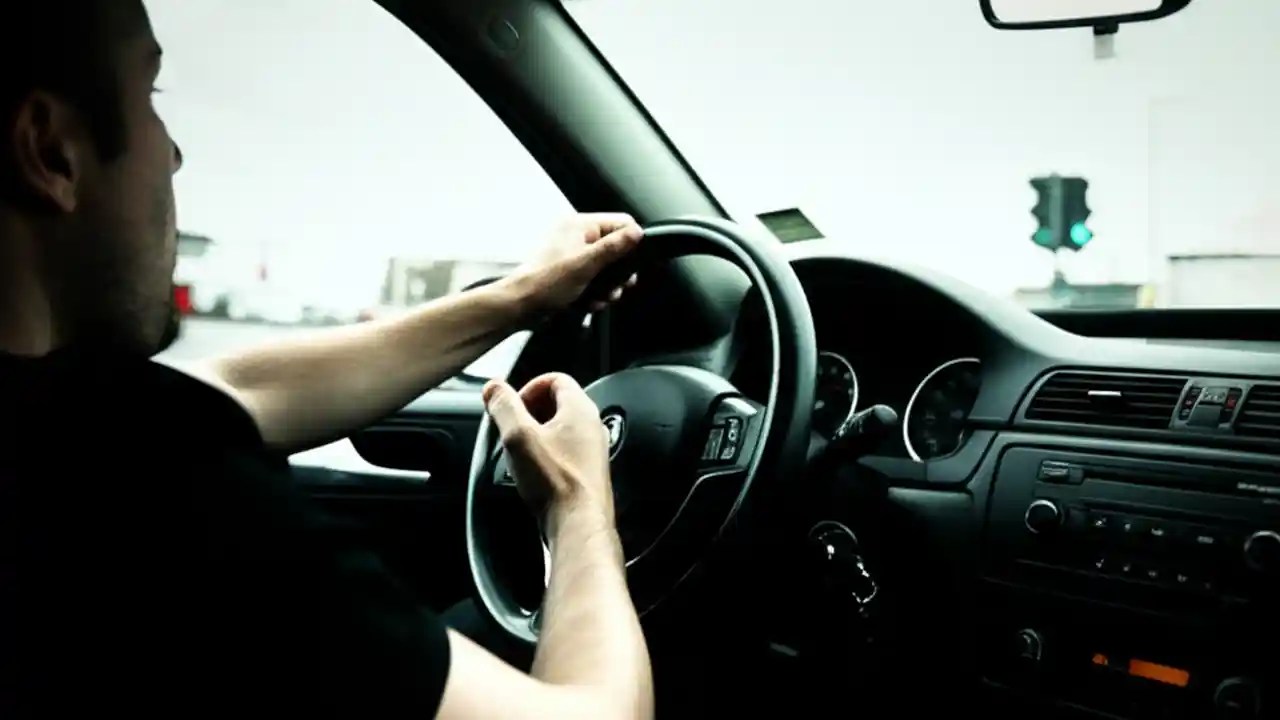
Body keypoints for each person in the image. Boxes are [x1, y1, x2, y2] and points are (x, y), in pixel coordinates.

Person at [0, 1, 652, 718]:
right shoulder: (151, 500)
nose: (174, 154)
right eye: (150, 95)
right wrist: (578, 506)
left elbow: (237, 390)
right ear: (50, 150)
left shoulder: (80, 419)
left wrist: (524, 296)